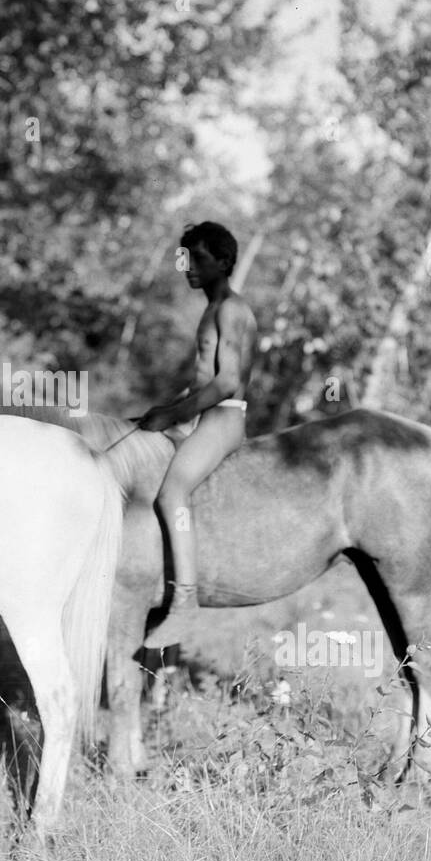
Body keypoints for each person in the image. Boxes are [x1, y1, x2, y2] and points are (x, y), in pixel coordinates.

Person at [137, 222, 256, 649]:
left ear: (223, 262)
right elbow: (202, 380)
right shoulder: (213, 308)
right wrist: (166, 410)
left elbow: (226, 382)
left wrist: (178, 413)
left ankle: (185, 602)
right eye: (185, 257)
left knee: (171, 494)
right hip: (206, 416)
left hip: (223, 420)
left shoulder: (230, 309)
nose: (188, 266)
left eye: (199, 258)